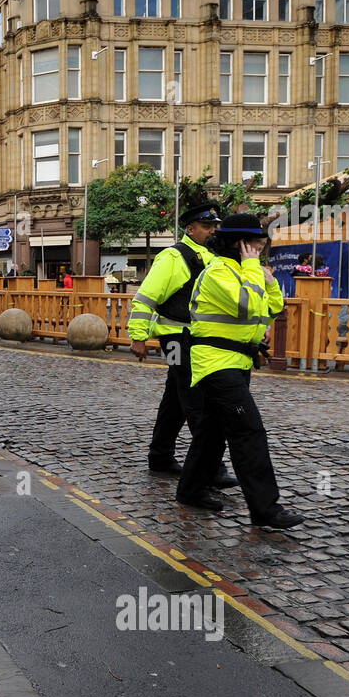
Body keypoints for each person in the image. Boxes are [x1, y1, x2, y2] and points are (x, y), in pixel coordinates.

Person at [177, 213, 302, 531]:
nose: (260, 249)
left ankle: (190, 490)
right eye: (255, 244)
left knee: (212, 433)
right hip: (217, 365)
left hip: (236, 362)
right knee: (249, 432)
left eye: (261, 243)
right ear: (238, 245)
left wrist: (270, 283)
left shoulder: (245, 271)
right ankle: (265, 510)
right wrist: (254, 272)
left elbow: (271, 309)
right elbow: (245, 306)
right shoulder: (220, 271)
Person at [129, 201, 237, 489]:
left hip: (197, 337)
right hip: (175, 337)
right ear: (190, 228)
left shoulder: (213, 256)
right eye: (206, 226)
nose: (213, 230)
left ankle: (160, 456)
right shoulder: (173, 257)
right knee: (197, 400)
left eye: (215, 225)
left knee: (175, 401)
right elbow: (145, 298)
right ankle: (211, 466)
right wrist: (138, 336)